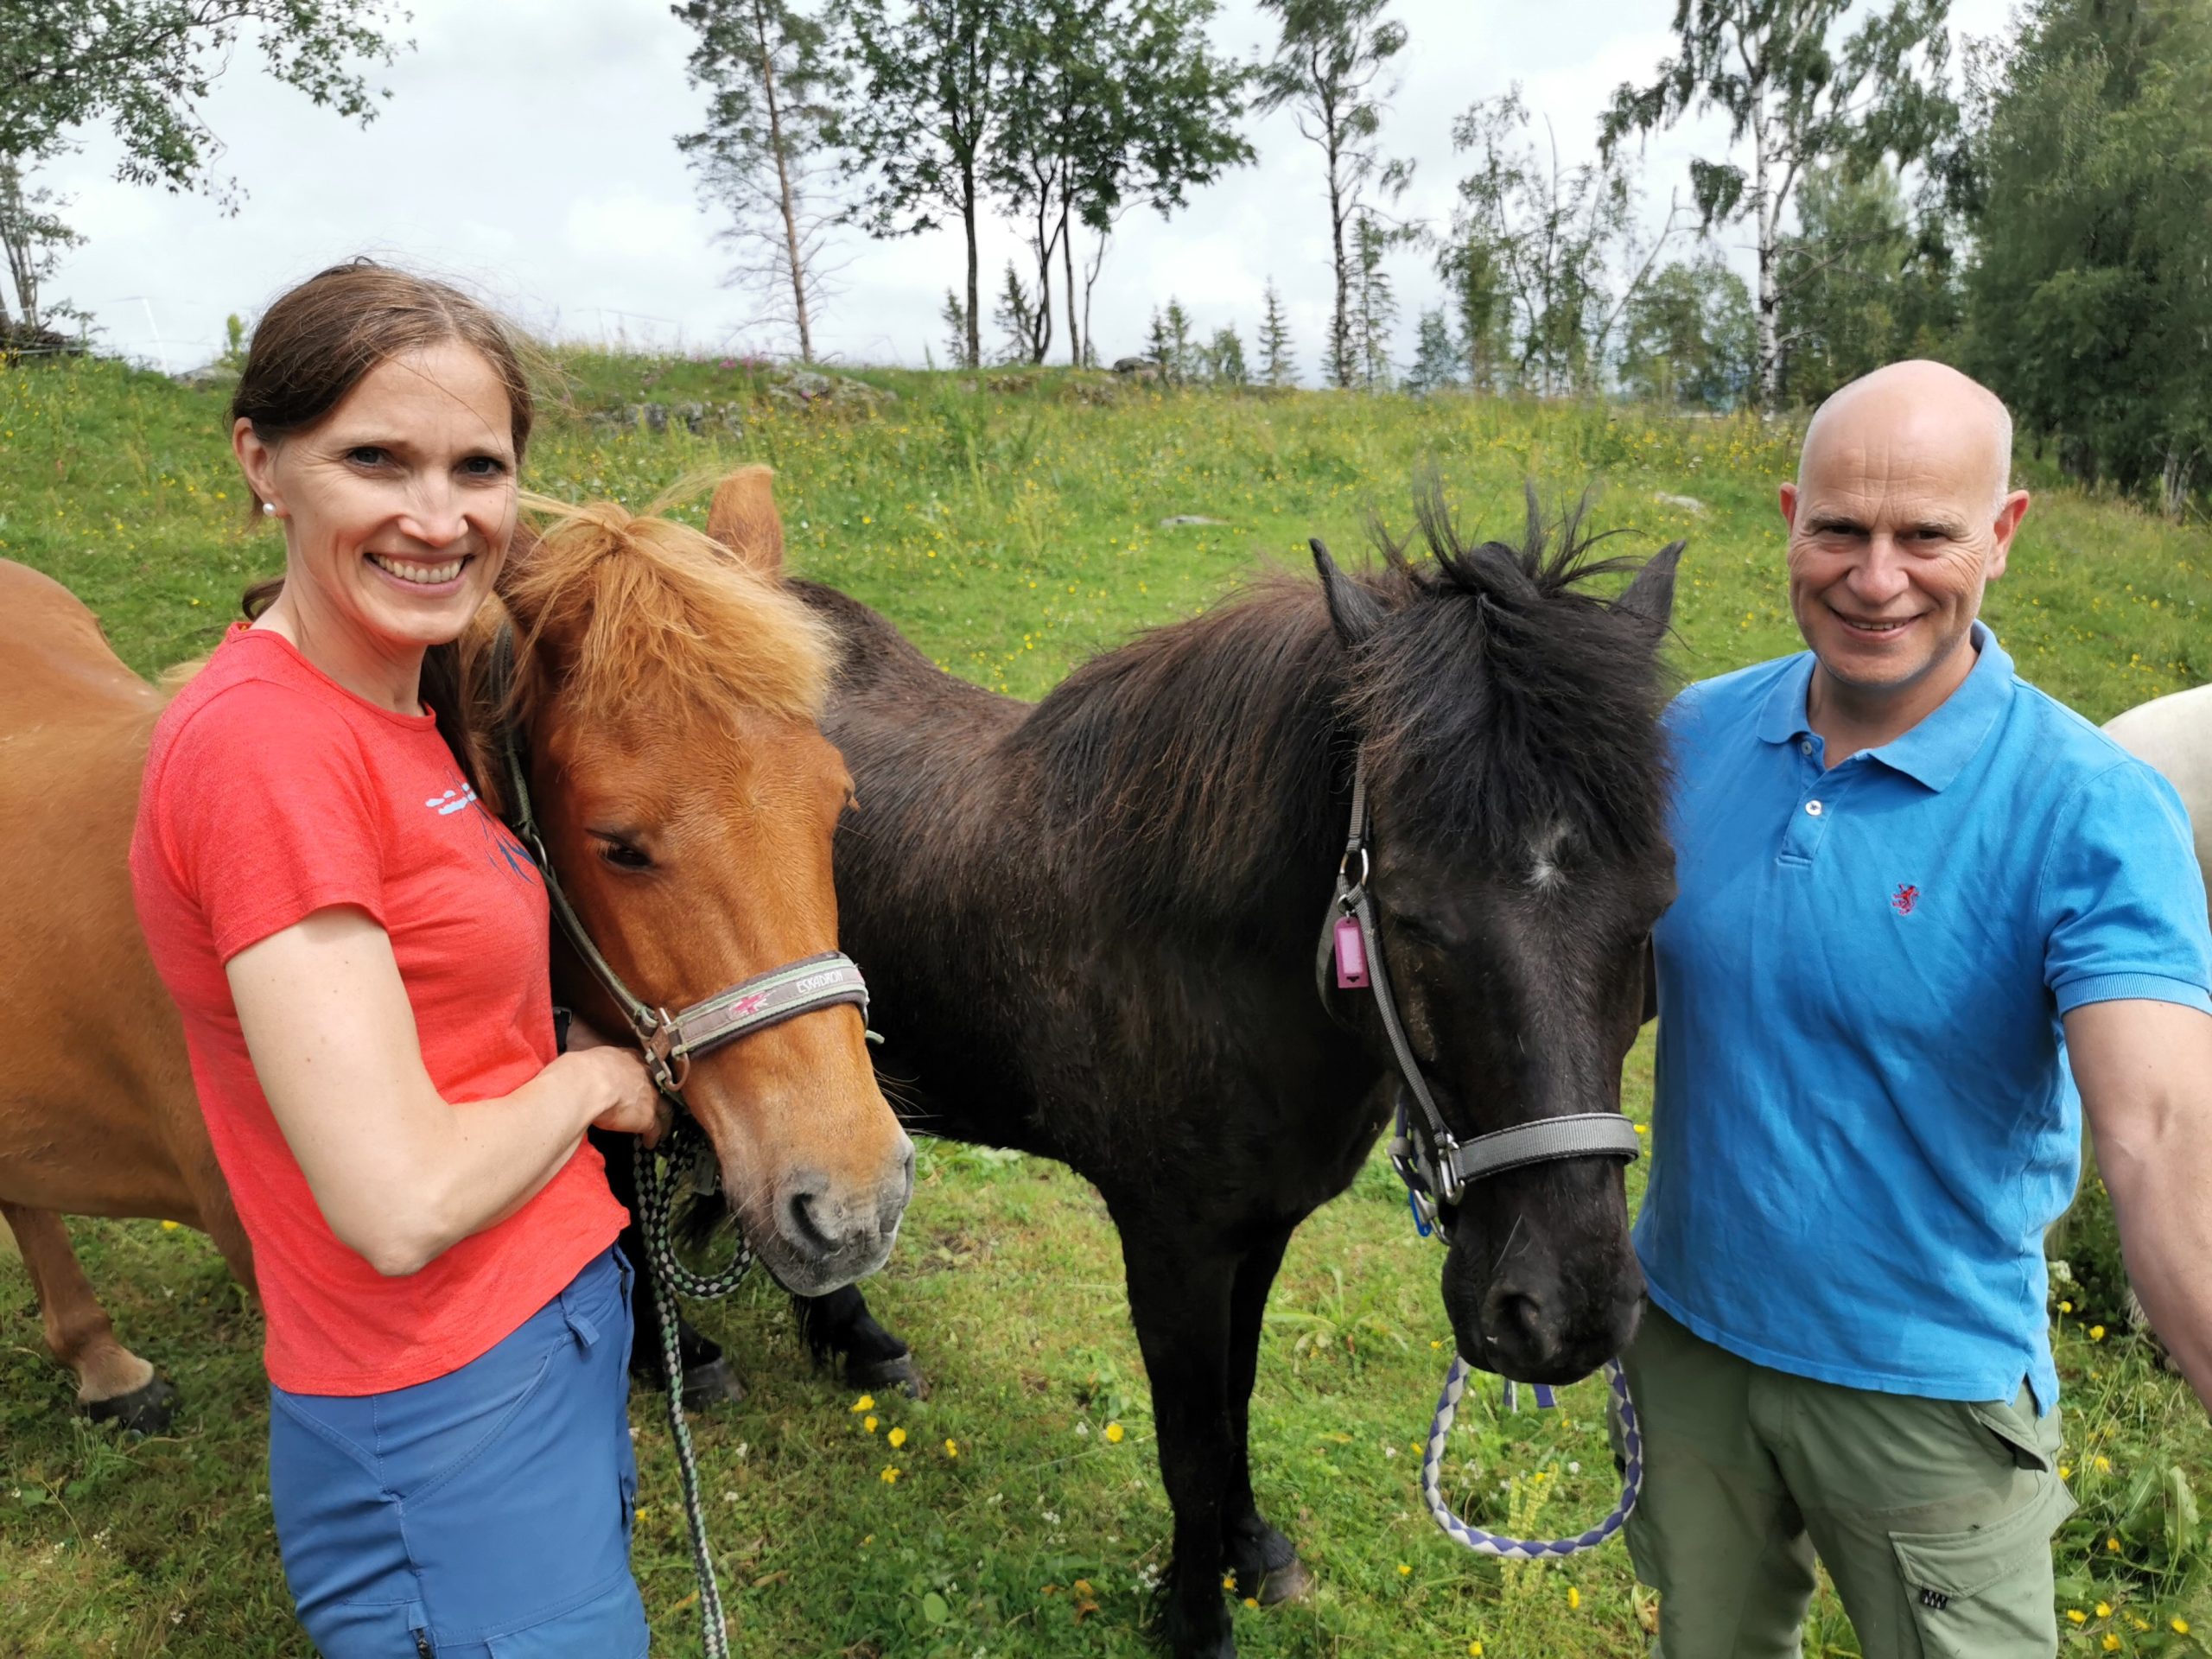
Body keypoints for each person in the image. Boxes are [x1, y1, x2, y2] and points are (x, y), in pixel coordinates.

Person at [1626, 359, 2212, 1657]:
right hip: (1689, 1347)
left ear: (2002, 536)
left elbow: (2161, 1130)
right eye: (1838, 528)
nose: (1874, 576)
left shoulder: (2092, 807)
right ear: (1791, 517)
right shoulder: (1690, 739)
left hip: (1930, 1392)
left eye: (1925, 535)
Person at [129, 260, 667, 1658]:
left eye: (478, 466)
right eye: (378, 459)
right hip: (439, 1401)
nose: (440, 519)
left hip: (535, 1335)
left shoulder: (392, 698)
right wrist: (592, 1079)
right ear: (262, 461)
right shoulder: (268, 752)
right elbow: (398, 1202)